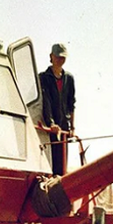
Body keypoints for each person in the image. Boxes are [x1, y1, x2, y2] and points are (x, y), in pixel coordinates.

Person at [39, 43, 76, 174]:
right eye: (58, 57)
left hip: (64, 127)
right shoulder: (43, 77)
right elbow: (45, 101)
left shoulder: (69, 79)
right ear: (51, 56)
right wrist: (51, 123)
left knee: (62, 166)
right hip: (49, 128)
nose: (60, 60)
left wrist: (72, 126)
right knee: (51, 162)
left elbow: (71, 104)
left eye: (63, 57)